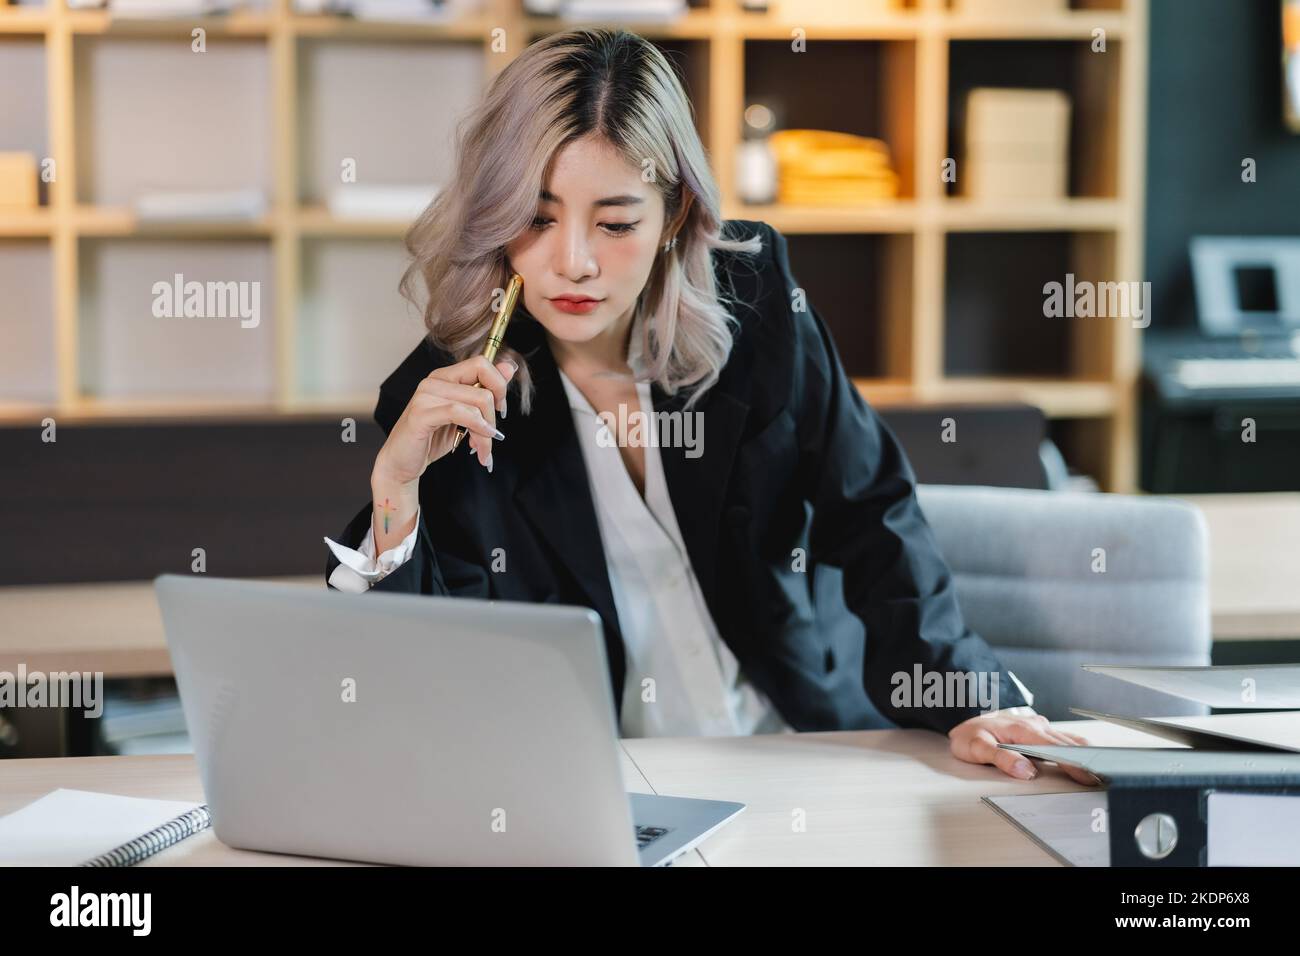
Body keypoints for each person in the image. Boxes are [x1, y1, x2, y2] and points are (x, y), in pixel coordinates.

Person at [324, 27, 1093, 784]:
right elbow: (422, 681)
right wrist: (396, 495)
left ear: (675, 217)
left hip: (798, 745)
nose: (574, 263)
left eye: (616, 222)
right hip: (596, 780)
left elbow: (871, 510)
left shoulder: (757, 304)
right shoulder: (451, 389)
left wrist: (969, 699)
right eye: (537, 216)